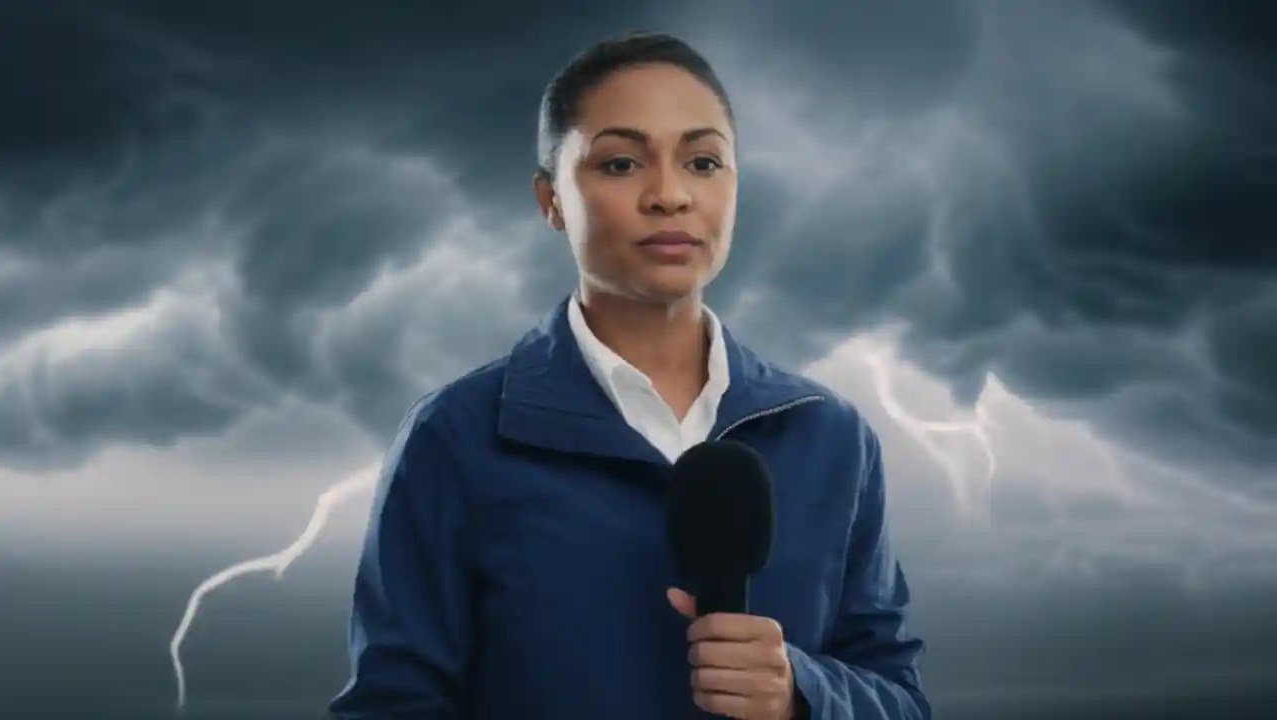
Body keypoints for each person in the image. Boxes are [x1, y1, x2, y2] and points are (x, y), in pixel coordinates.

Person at [328, 30, 929, 720]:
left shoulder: (832, 436)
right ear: (550, 199)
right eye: (619, 164)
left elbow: (902, 700)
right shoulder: (458, 436)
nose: (670, 195)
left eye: (703, 162)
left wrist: (802, 690)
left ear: (735, 188)